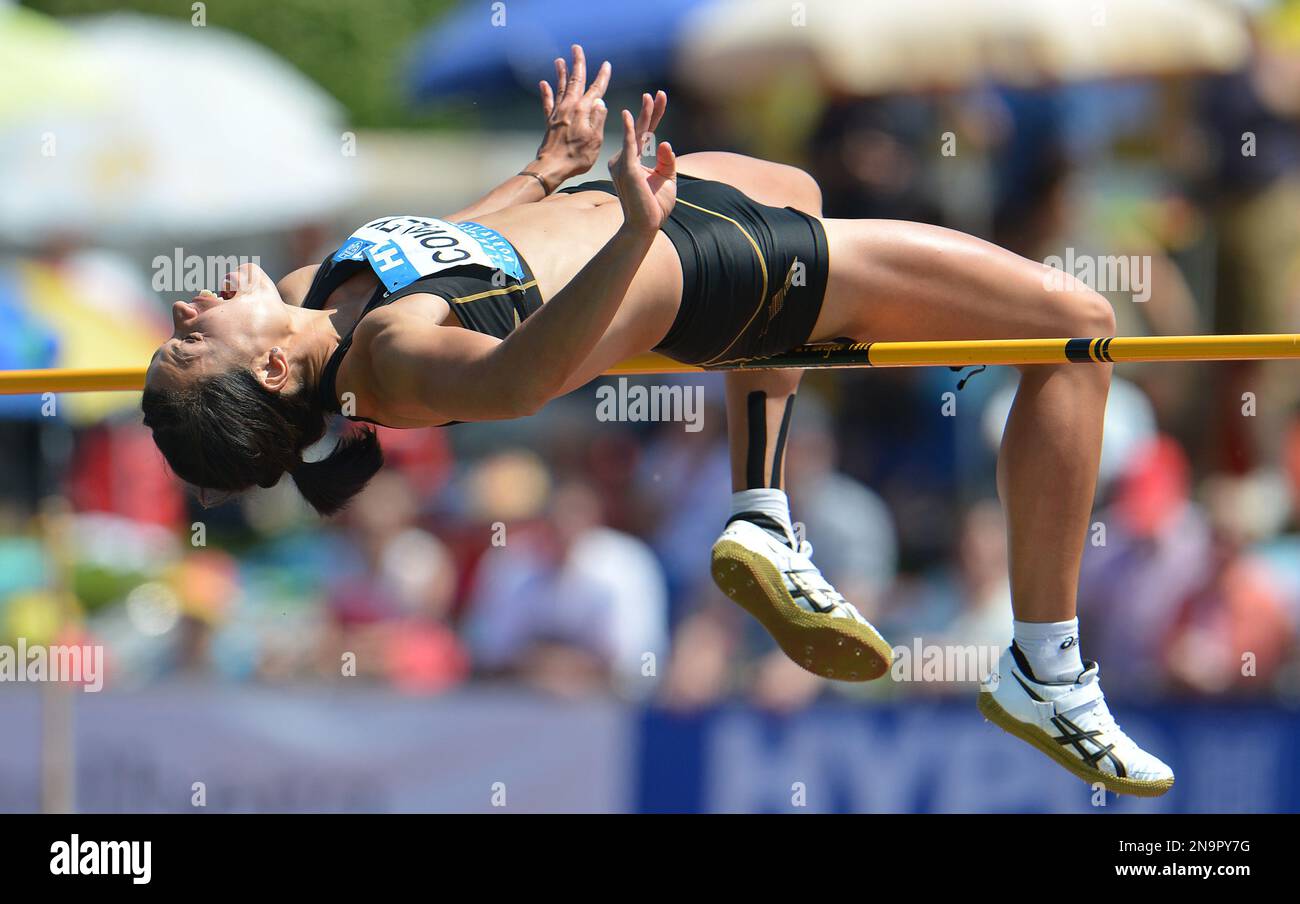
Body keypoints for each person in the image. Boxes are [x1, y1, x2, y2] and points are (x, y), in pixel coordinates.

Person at [141, 46, 1171, 796]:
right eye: (190, 342)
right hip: (704, 269)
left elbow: (454, 249)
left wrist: (544, 172)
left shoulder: (309, 290)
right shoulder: (390, 361)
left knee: (797, 181)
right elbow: (517, 382)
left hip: (647, 211)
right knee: (1073, 324)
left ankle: (764, 514)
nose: (184, 310)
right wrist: (633, 233)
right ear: (273, 367)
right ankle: (1045, 663)